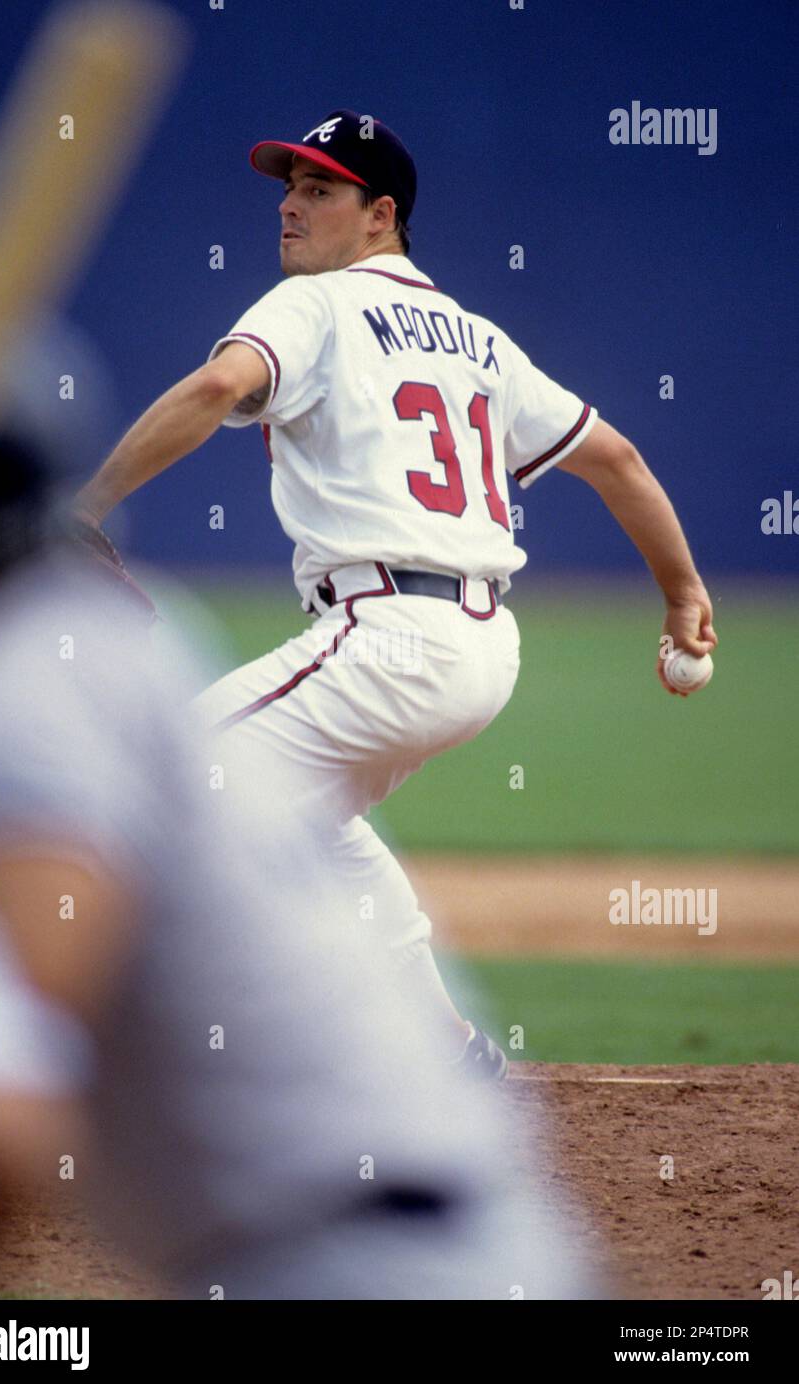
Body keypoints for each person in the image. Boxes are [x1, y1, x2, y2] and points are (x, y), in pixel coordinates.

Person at [0, 319, 596, 1299]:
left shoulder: (29, 684)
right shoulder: (82, 657)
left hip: (355, 1272)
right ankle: (450, 1040)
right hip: (419, 1248)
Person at [74, 109, 718, 1079]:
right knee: (300, 819)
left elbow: (217, 389)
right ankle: (442, 1046)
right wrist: (682, 595)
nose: (291, 206)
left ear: (380, 215)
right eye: (289, 186)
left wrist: (81, 510)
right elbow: (617, 456)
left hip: (385, 638)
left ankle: (130, 1060)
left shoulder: (317, 304)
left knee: (168, 784)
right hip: (479, 650)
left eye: (320, 189)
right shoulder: (479, 339)